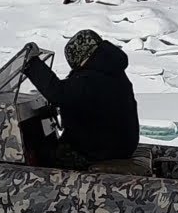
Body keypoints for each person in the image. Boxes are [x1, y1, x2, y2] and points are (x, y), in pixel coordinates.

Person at [23, 30, 140, 170]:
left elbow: (59, 93)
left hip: (99, 151)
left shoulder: (91, 78)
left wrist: (32, 64)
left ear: (83, 54)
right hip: (119, 146)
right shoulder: (111, 72)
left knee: (43, 156)